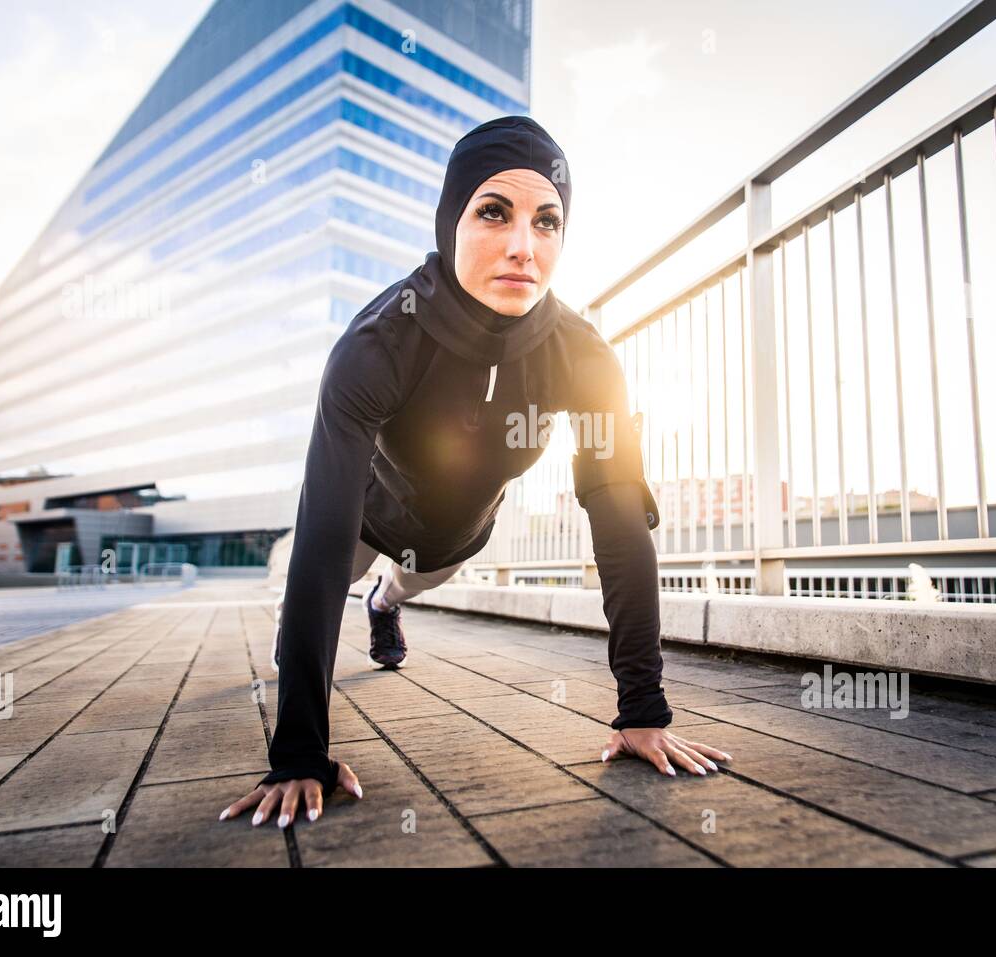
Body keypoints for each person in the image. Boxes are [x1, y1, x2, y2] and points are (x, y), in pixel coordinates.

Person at [220, 115, 730, 830]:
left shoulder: (582, 357)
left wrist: (642, 711)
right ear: (449, 221)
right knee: (323, 592)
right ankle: (325, 617)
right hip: (365, 518)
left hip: (457, 539)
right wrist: (300, 750)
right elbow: (321, 524)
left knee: (405, 580)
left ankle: (385, 605)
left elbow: (618, 523)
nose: (525, 247)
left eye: (547, 222)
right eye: (494, 212)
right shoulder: (378, 344)